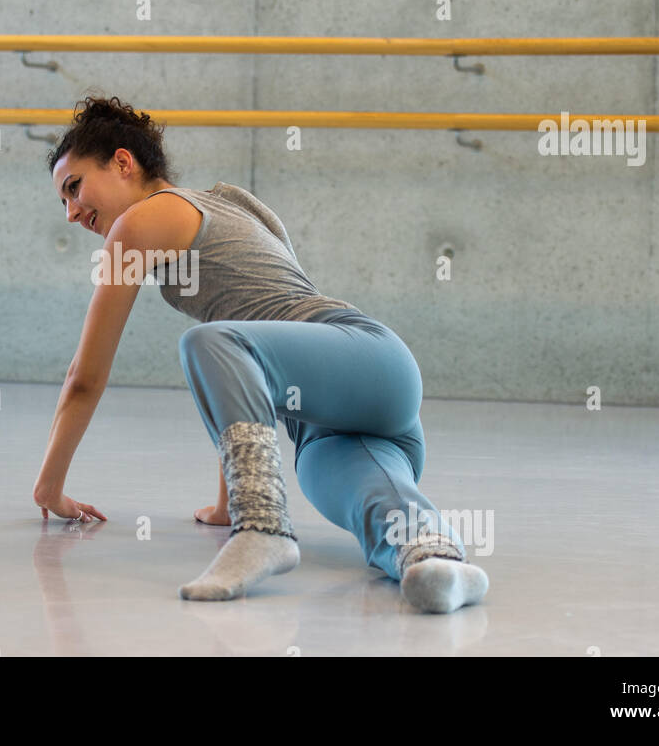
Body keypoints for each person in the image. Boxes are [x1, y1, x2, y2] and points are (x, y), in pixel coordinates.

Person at [32, 95, 488, 613]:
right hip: (332, 415)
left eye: (74, 188)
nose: (71, 213)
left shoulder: (136, 225)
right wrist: (225, 503)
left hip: (363, 352)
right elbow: (258, 353)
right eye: (62, 202)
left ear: (122, 162)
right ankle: (440, 563)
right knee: (364, 497)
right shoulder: (233, 200)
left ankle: (264, 525)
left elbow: (85, 376)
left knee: (210, 341)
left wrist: (50, 487)